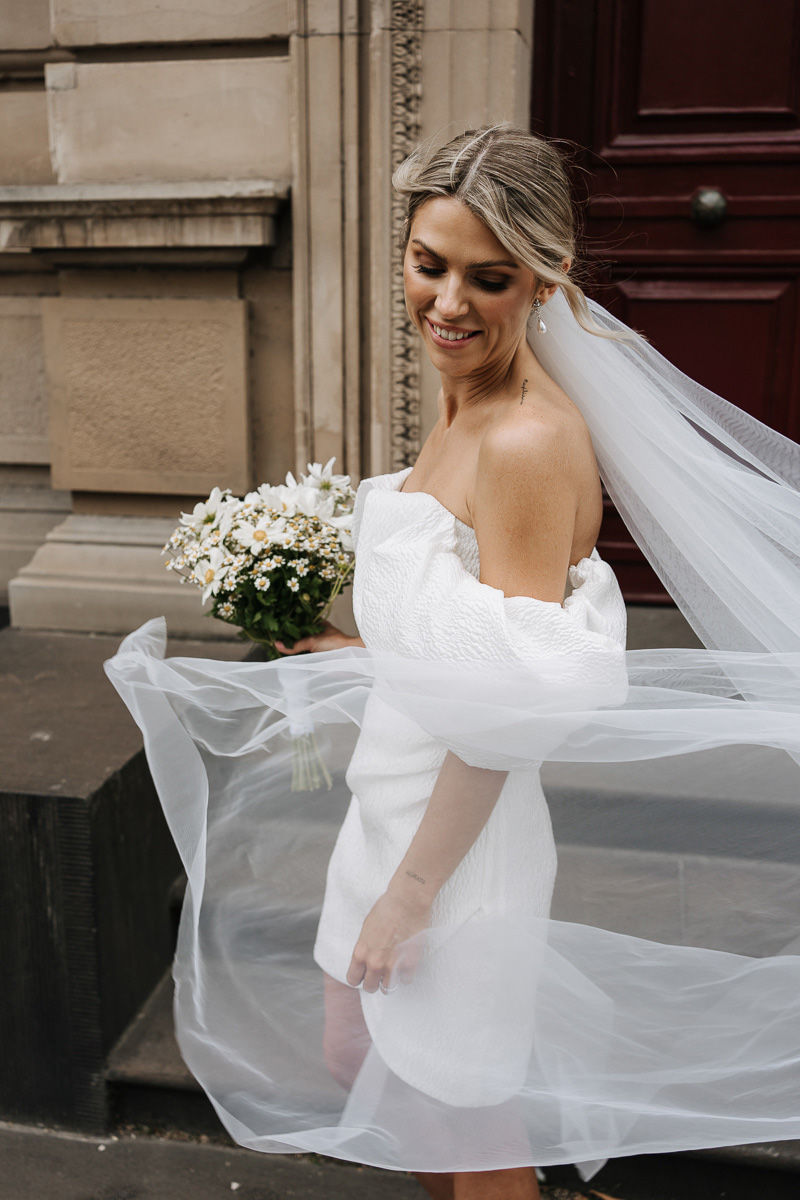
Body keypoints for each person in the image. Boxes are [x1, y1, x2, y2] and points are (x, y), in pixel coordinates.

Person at [106, 125, 800, 1199]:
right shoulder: (462, 399)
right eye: (429, 265)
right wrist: (359, 649)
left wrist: (413, 894)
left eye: (489, 278)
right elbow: (463, 633)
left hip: (455, 856)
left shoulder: (523, 441)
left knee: (466, 1134)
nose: (448, 303)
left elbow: (505, 707)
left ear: (542, 282)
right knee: (362, 1064)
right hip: (384, 811)